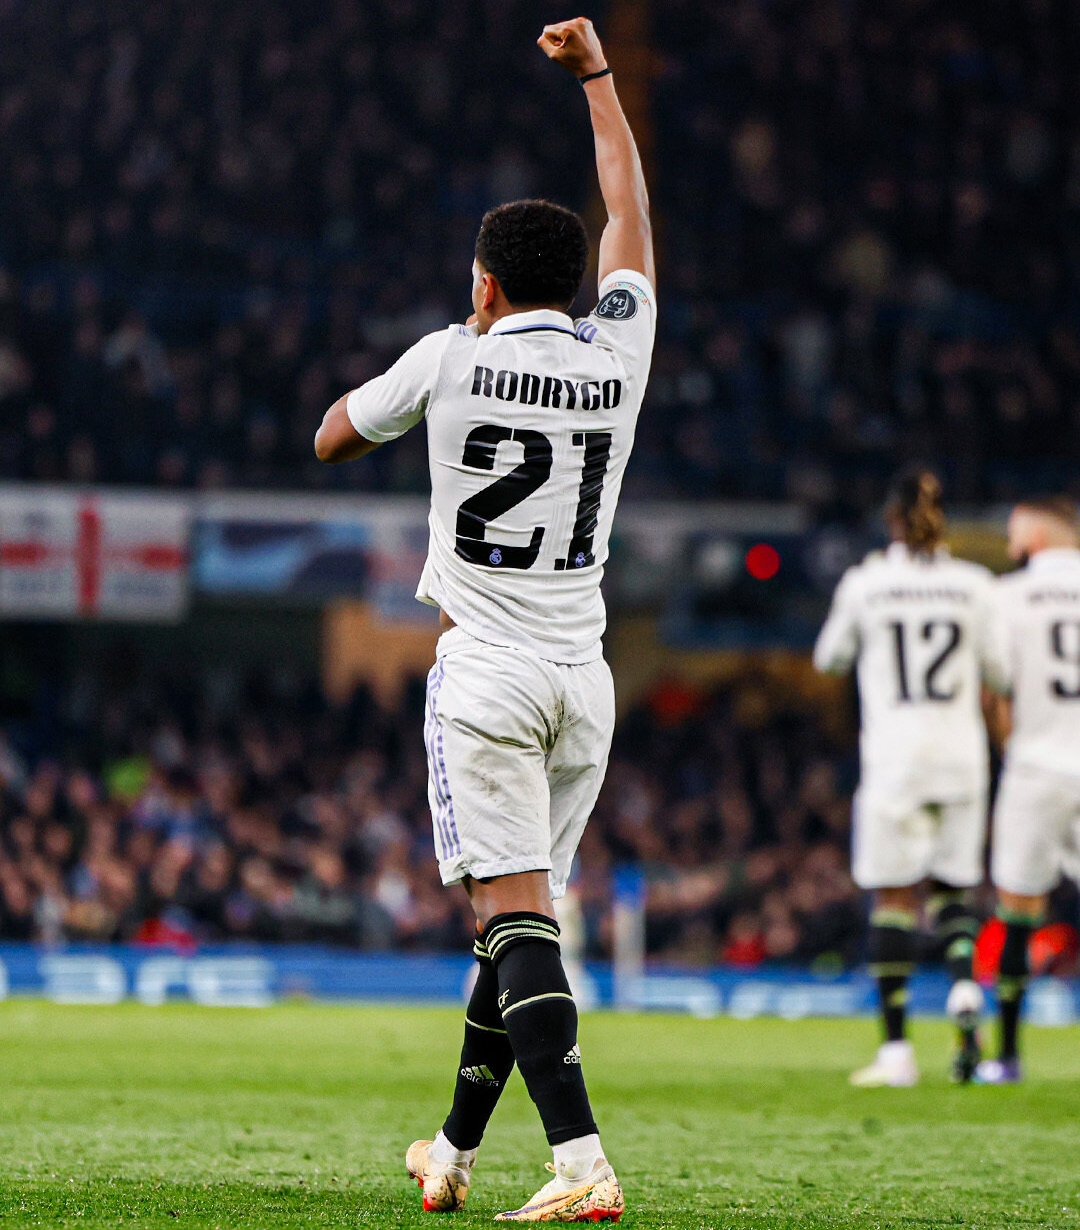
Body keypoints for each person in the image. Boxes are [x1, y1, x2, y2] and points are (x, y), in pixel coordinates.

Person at [314, 17, 653, 1222]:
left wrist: (444, 359)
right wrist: (601, 85)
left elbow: (331, 434)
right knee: (517, 924)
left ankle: (579, 1164)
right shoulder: (620, 354)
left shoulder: (448, 357)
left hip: (490, 679)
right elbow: (629, 216)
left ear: (487, 283)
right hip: (585, 678)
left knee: (510, 918)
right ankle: (452, 1152)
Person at [813, 469, 1006, 1086]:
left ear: (891, 521)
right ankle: (964, 987)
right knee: (953, 891)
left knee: (894, 898)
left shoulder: (868, 583)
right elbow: (1001, 673)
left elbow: (829, 657)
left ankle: (897, 1053)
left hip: (895, 759)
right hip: (961, 758)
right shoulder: (976, 586)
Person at [976, 498, 1080, 1084]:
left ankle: (1008, 1056)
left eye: (1015, 529)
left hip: (1037, 767)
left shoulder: (1008, 596)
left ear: (1037, 532)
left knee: (1019, 911)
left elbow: (996, 688)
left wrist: (1012, 746)